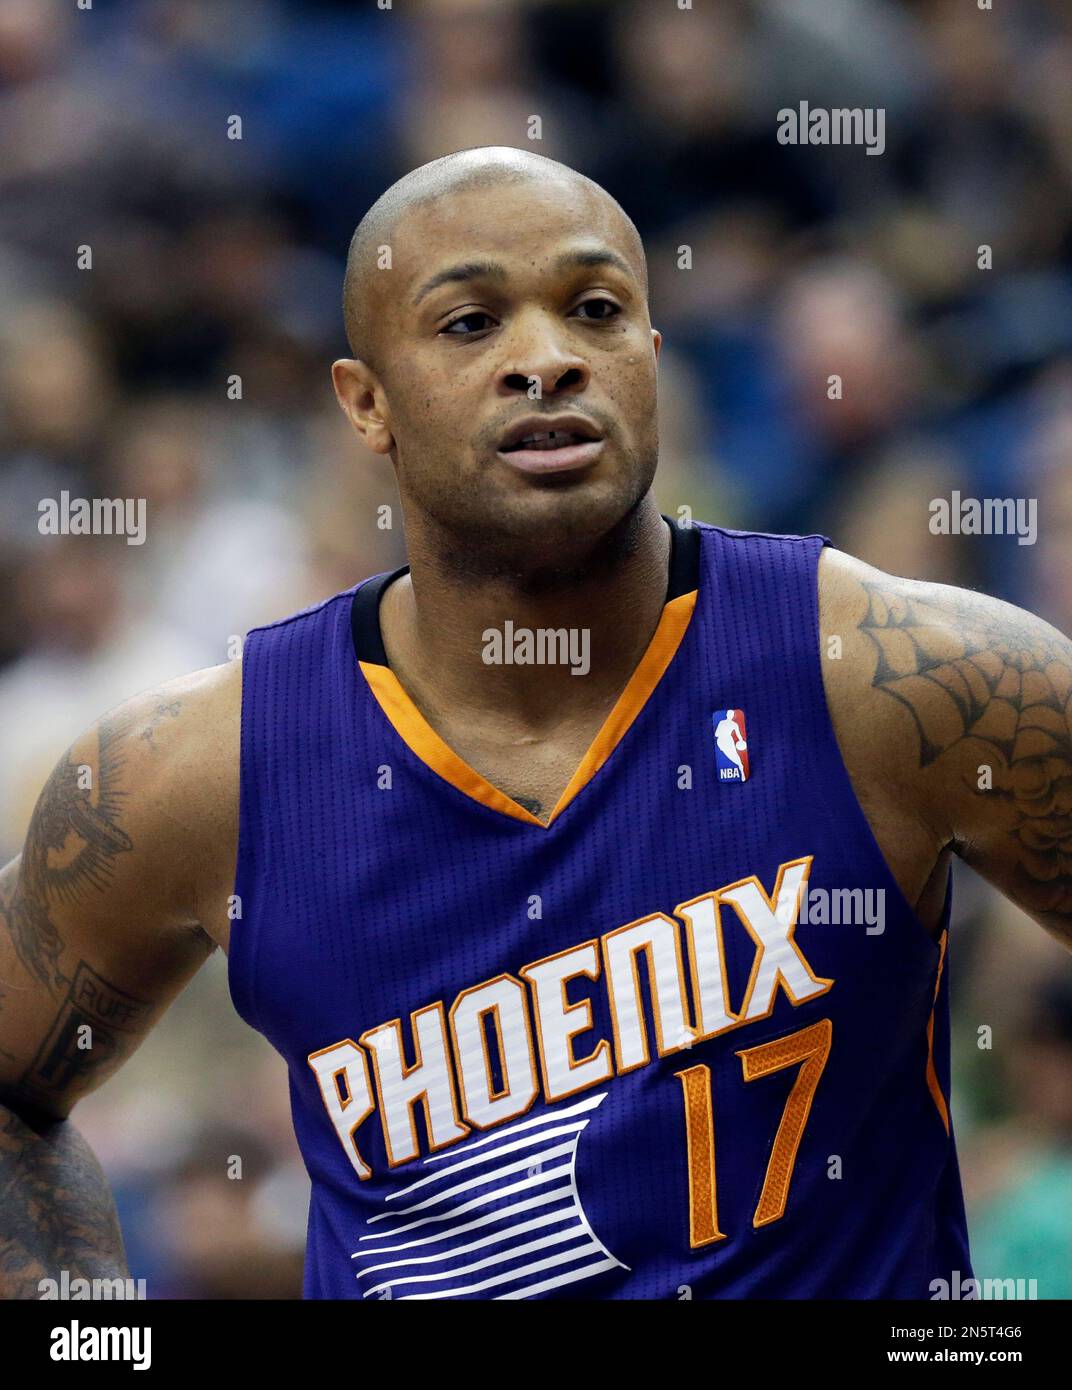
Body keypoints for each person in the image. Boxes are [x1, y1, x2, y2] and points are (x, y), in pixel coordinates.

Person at [2, 146, 1070, 1300]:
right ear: (365, 404)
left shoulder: (898, 679)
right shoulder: (199, 775)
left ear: (651, 361)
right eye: (468, 323)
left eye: (595, 309)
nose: (548, 359)